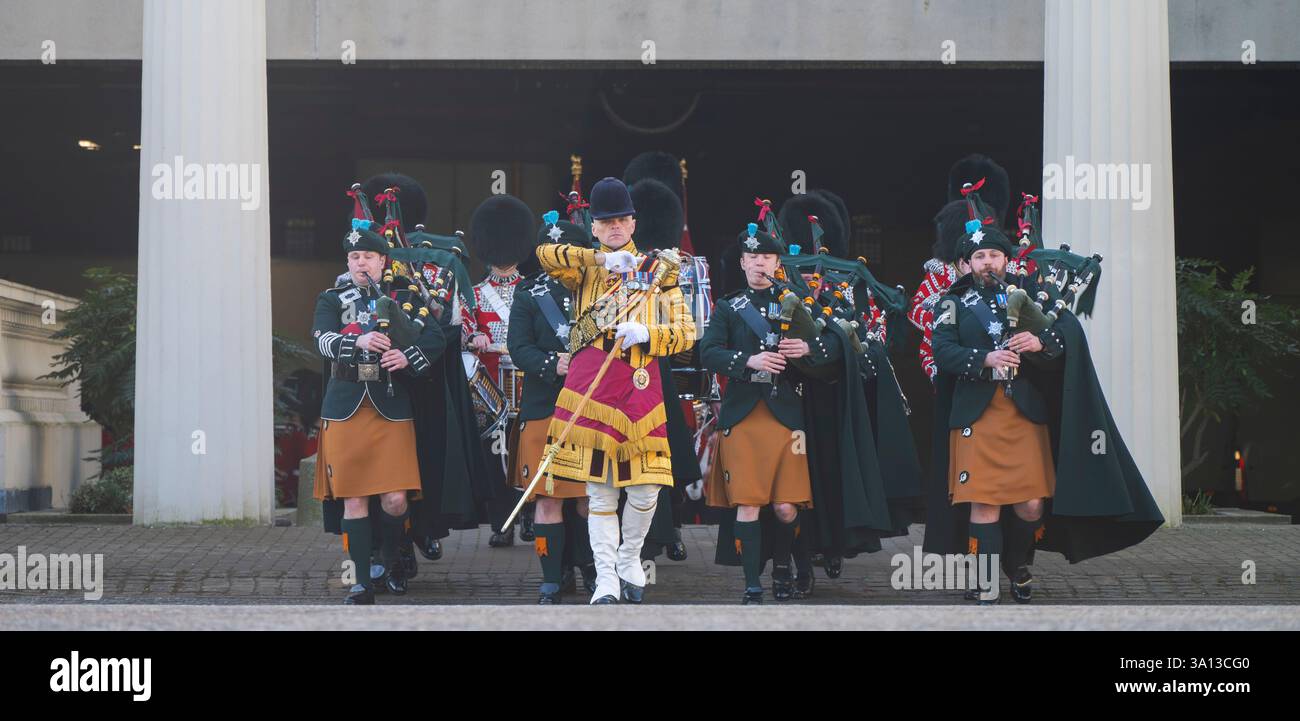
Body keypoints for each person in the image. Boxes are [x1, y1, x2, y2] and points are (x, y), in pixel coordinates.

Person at [926, 187, 1164, 603]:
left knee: (1031, 505)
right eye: (978, 257)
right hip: (975, 414)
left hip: (1024, 412)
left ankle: (1019, 568)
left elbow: (1066, 337)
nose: (987, 263)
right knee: (983, 503)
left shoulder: (1034, 295)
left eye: (994, 255)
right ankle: (984, 583)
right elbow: (942, 350)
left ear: (1006, 259)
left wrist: (1041, 344)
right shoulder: (951, 302)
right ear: (965, 263)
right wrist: (984, 358)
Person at [533, 176, 696, 604]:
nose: (616, 228)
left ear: (634, 223)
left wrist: (647, 333)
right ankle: (606, 579)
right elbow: (544, 255)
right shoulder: (583, 267)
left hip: (641, 388)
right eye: (606, 223)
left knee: (645, 492)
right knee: (600, 491)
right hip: (595, 387)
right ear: (595, 227)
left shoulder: (660, 270)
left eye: (622, 220)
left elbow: (687, 332)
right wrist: (604, 263)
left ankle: (628, 558)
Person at [311, 214, 446, 604]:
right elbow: (321, 338)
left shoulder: (405, 297)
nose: (360, 263)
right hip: (346, 405)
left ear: (383, 261)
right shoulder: (331, 299)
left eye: (368, 255)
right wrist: (358, 342)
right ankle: (360, 582)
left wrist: (407, 356)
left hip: (390, 405)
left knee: (395, 500)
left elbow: (436, 338)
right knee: (354, 498)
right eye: (354, 256)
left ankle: (394, 557)